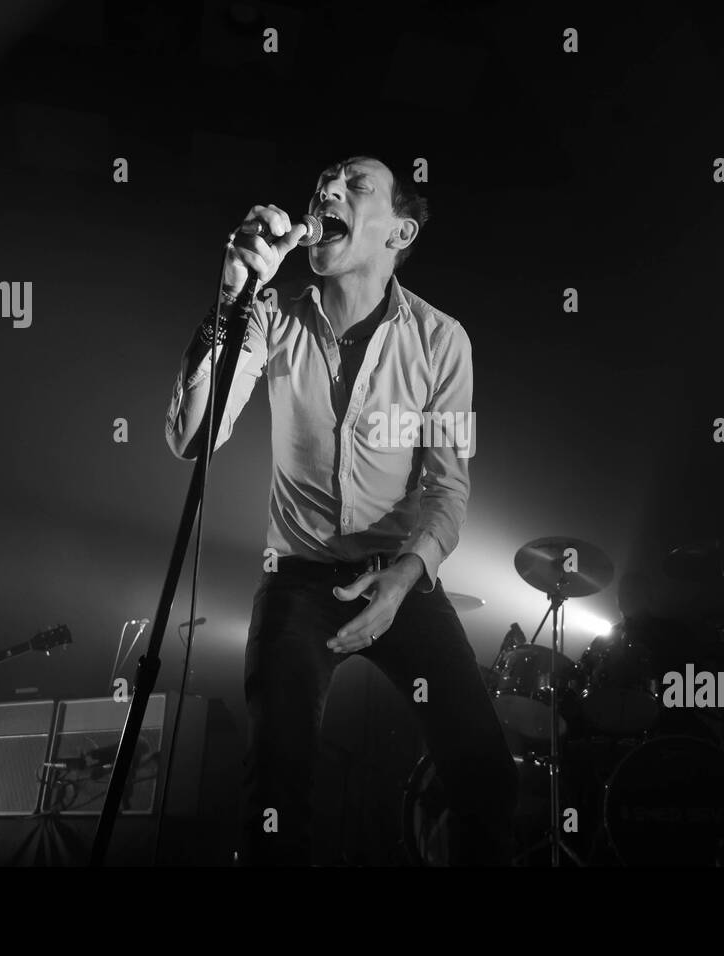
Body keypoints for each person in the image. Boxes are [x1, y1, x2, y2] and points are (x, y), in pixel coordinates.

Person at [165, 155, 517, 865]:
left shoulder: (442, 340)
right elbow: (191, 437)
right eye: (323, 181)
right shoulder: (271, 314)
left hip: (404, 578)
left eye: (355, 185)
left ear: (398, 231)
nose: (327, 190)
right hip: (298, 579)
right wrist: (230, 300)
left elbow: (448, 487)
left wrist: (407, 576)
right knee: (277, 784)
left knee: (487, 779)